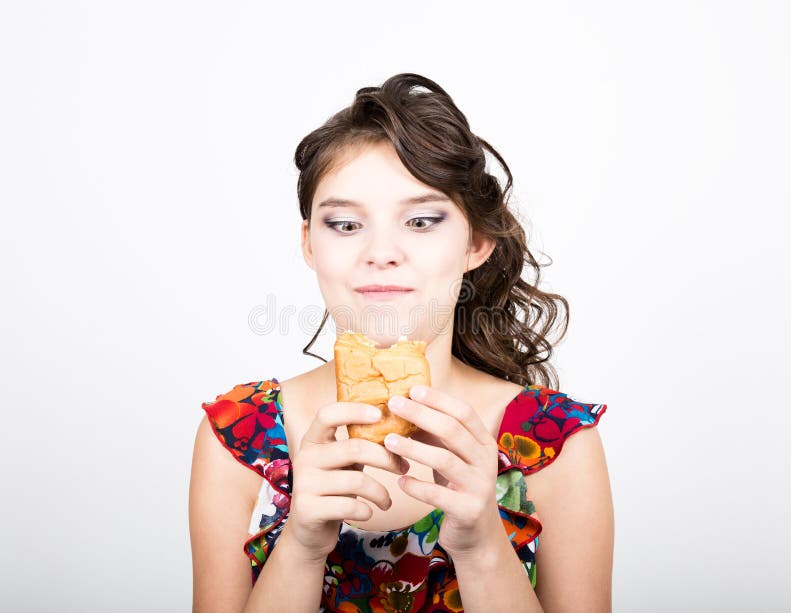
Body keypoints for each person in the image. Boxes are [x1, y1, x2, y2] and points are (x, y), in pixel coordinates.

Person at [189, 73, 614, 613]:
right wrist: (300, 546)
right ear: (309, 245)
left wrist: (483, 547)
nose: (381, 252)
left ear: (477, 241)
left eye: (421, 220)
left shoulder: (556, 444)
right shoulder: (237, 439)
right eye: (345, 224)